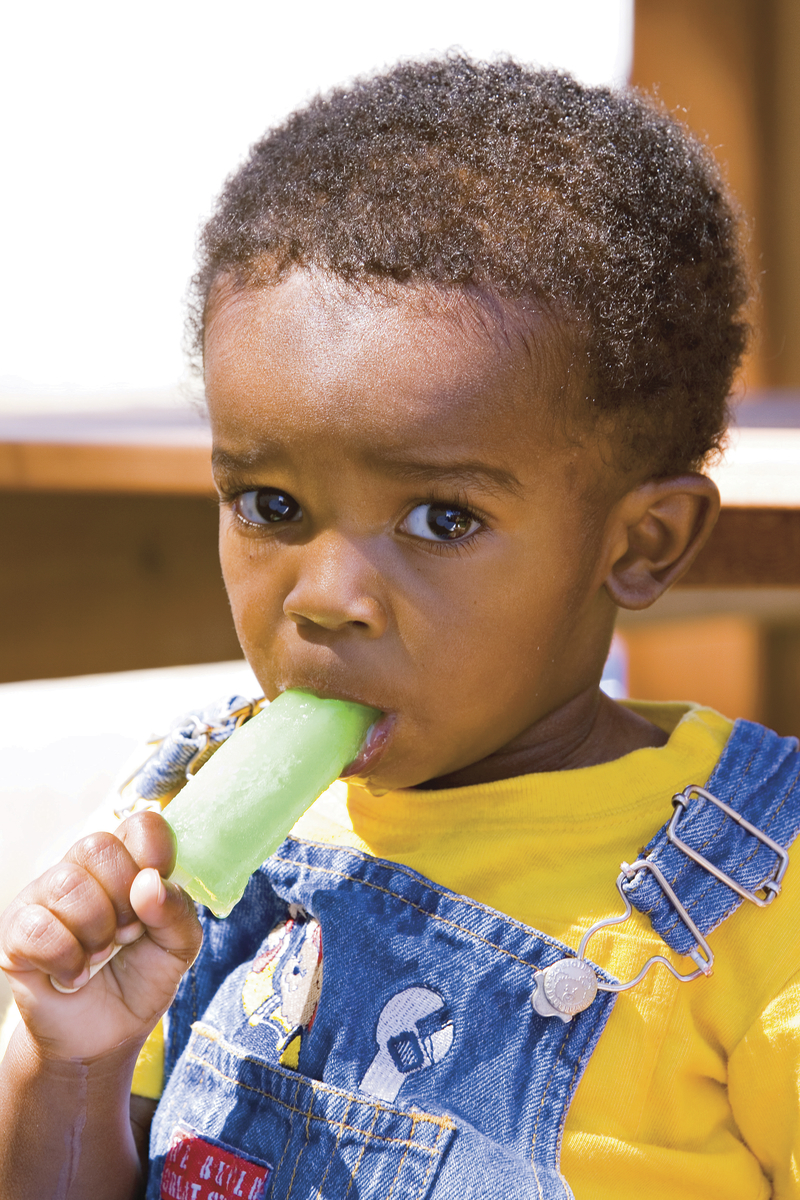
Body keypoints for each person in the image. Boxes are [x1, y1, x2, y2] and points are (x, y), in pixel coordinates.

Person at [1, 56, 797, 1200]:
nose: (324, 594)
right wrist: (69, 1060)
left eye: (440, 518)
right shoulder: (176, 832)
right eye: (270, 506)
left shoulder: (757, 901)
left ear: (636, 546)